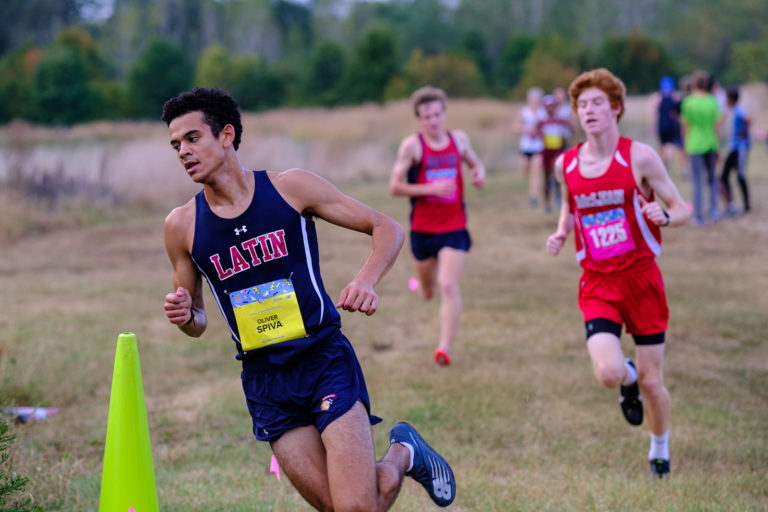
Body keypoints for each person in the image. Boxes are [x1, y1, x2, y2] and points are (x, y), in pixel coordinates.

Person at [161, 87, 456, 510]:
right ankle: (405, 453)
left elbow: (386, 227)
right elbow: (197, 320)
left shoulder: (290, 188)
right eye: (176, 145)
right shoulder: (181, 226)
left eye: (192, 138)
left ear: (226, 135)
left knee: (356, 508)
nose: (183, 152)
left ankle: (402, 452)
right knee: (347, 507)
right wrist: (184, 316)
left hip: (322, 359)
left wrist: (366, 280)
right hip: (265, 380)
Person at [546, 69, 690, 478]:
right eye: (581, 105)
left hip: (642, 280)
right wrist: (561, 231)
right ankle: (625, 380)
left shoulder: (639, 156)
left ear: (616, 108)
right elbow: (569, 206)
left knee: (652, 381)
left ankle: (658, 447)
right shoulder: (566, 164)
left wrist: (665, 214)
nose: (587, 111)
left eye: (596, 103)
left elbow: (681, 209)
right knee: (609, 373)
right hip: (597, 282)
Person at [389, 86, 486, 366]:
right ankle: (422, 286)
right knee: (429, 289)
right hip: (423, 229)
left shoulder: (460, 140)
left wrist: (479, 175)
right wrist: (429, 188)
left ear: (444, 113)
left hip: (455, 226)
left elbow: (476, 165)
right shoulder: (412, 146)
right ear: (419, 118)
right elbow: (394, 187)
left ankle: (444, 347)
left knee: (448, 284)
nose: (433, 120)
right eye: (427, 116)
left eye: (437, 114)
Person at [681, 70, 722, 225]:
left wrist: (685, 145)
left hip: (694, 145)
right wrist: (718, 145)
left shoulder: (688, 102)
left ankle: (698, 216)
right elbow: (716, 125)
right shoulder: (712, 101)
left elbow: (685, 126)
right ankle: (714, 210)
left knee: (697, 181)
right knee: (712, 179)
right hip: (710, 143)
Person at [720, 86, 751, 215]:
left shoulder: (739, 111)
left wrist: (744, 134)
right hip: (733, 148)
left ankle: (746, 205)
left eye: (726, 97)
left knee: (740, 176)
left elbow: (748, 120)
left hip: (740, 148)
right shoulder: (732, 111)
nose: (724, 100)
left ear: (731, 99)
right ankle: (731, 203)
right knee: (724, 176)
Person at [538, 94, 571, 213]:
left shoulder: (561, 121)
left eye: (552, 106)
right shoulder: (542, 122)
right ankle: (547, 203)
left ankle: (558, 196)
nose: (550, 109)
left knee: (558, 174)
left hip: (558, 150)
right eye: (548, 106)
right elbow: (535, 133)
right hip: (546, 151)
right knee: (546, 177)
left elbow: (571, 130)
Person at [514, 86, 546, 207]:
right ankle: (527, 189)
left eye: (537, 99)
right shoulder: (524, 112)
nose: (535, 101)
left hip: (539, 146)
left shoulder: (544, 112)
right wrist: (527, 129)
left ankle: (533, 195)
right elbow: (515, 127)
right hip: (526, 147)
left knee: (535, 171)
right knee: (525, 170)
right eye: (533, 99)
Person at [649, 76, 686, 174]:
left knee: (663, 146)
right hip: (671, 125)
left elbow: (653, 113)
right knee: (669, 146)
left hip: (662, 125)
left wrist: (652, 126)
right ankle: (666, 166)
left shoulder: (657, 98)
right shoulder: (675, 98)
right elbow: (678, 114)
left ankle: (665, 166)